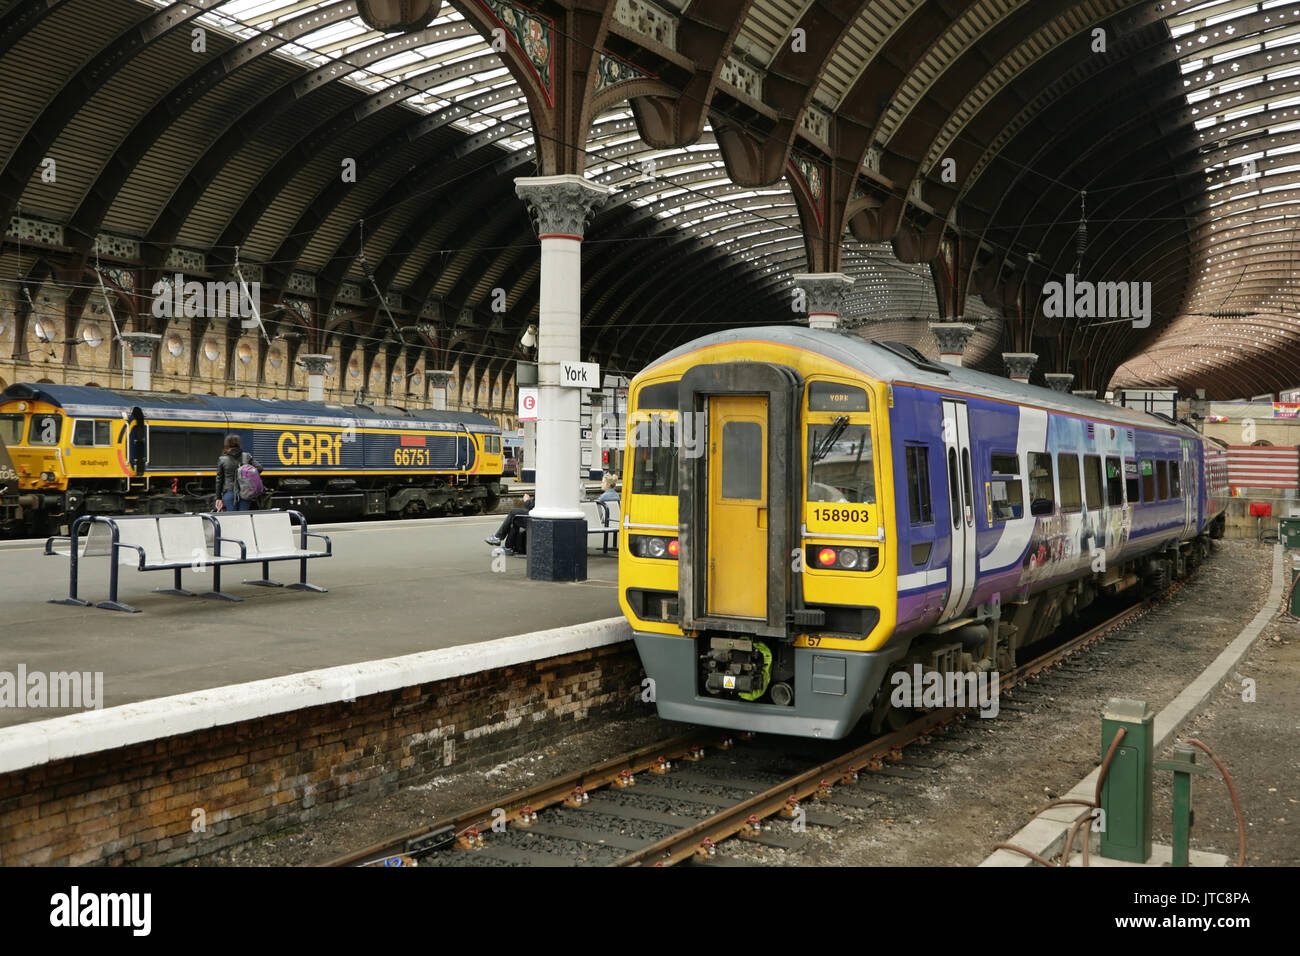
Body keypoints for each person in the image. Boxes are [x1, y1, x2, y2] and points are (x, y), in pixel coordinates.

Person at [215, 434, 263, 512]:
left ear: (227, 444)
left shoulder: (222, 459)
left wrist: (218, 498)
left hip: (229, 492)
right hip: (246, 492)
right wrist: (248, 473)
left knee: (232, 517)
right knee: (244, 517)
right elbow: (260, 468)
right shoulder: (247, 456)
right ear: (239, 443)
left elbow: (219, 480)